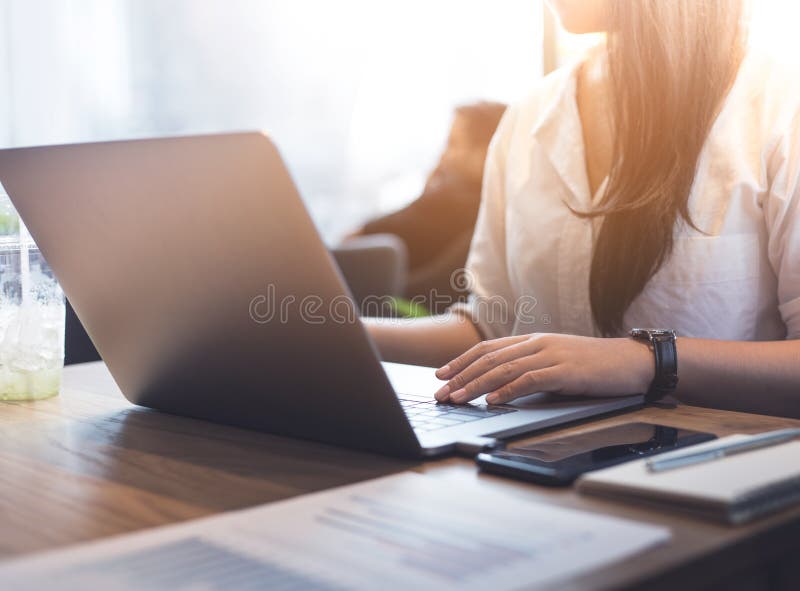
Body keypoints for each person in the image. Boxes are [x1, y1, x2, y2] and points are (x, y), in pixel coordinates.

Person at [365, 0, 800, 418]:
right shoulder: (529, 115)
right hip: (529, 452)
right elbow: (494, 327)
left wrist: (647, 361)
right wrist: (346, 333)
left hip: (713, 456)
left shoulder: (779, 107)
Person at [346, 101, 506, 314]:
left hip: (409, 309)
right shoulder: (502, 210)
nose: (444, 154)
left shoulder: (450, 199)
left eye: (453, 144)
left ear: (485, 151)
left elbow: (356, 236)